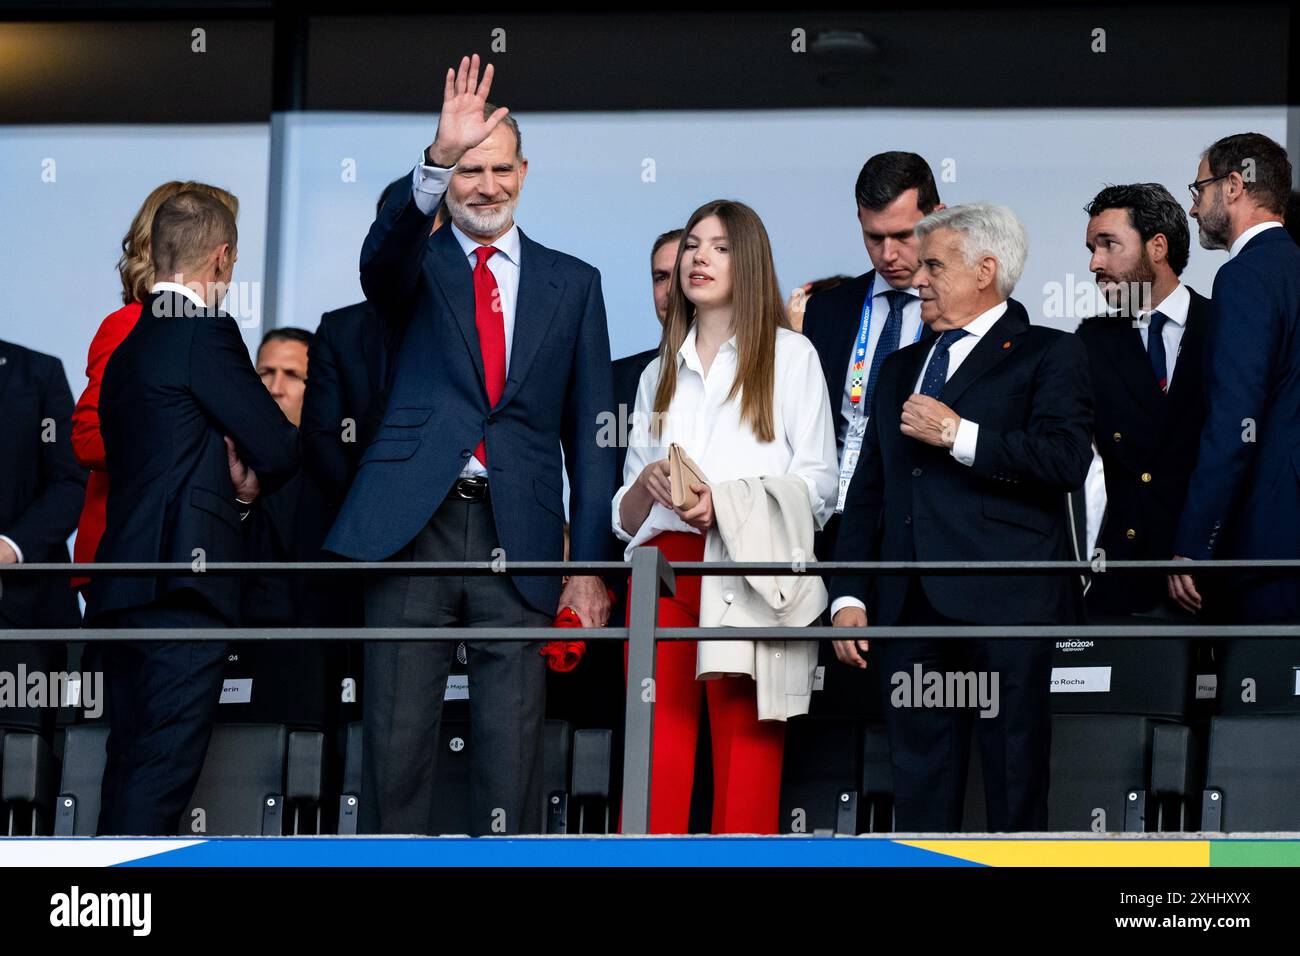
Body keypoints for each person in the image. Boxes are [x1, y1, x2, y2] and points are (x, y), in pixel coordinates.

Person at [323, 54, 616, 836]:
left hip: (517, 534)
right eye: (468, 171)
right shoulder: (412, 266)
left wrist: (585, 566)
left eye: (498, 169)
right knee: (395, 738)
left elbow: (591, 441)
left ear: (525, 171)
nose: (485, 185)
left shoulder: (574, 283)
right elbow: (380, 256)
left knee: (514, 744)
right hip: (412, 528)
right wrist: (434, 157)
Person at [829, 203, 1093, 832]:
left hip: (1009, 605)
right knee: (918, 786)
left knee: (1014, 780)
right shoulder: (897, 368)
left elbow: (1064, 461)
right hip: (910, 607)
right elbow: (869, 491)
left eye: (933, 266)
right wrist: (846, 593)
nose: (916, 278)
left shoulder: (1051, 354)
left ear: (986, 270)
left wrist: (959, 434)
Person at [614, 199, 838, 834]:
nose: (698, 258)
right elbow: (623, 516)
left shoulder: (792, 357)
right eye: (691, 245)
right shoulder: (657, 372)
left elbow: (820, 483)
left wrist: (730, 503)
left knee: (747, 762)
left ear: (752, 261)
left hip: (751, 568)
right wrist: (650, 485)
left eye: (719, 246)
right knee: (656, 758)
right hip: (664, 575)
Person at [87, 189, 300, 835]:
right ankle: (123, 907)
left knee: (129, 762)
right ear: (223, 257)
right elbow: (275, 447)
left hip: (125, 587)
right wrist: (247, 487)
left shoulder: (128, 349)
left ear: (155, 251)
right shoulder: (204, 333)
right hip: (184, 585)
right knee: (160, 772)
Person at [71, 181, 240, 587]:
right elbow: (87, 437)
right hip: (131, 552)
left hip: (176, 548)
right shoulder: (129, 325)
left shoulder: (202, 331)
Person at [1171, 132, 1300, 625]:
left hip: (1265, 546)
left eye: (1197, 190)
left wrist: (1194, 541)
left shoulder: (1245, 274)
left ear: (1232, 185)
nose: (1193, 209)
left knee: (1256, 699)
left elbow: (1235, 419)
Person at [1076, 183, 1213, 618]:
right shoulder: (1091, 342)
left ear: (1158, 247)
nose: (1095, 263)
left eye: (1109, 245)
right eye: (1091, 248)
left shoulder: (1225, 326)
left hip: (1216, 574)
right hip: (1124, 581)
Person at [801, 152, 943, 564]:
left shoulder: (967, 310)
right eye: (873, 237)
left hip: (925, 533)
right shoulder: (827, 310)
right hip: (836, 528)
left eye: (903, 235)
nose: (888, 254)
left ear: (938, 217)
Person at [0, 337, 87, 744]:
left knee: (30, 764)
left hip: (23, 613)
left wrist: (11, 545)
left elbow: (71, 481)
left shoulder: (37, 373)